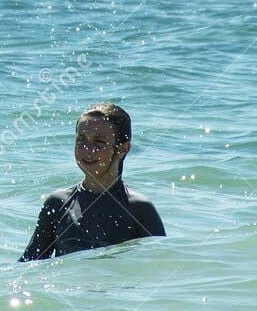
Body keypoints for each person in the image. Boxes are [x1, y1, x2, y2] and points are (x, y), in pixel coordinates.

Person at [19, 103, 165, 262]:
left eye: (99, 142)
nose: (87, 149)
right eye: (81, 139)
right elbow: (29, 265)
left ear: (123, 149)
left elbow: (157, 268)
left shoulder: (139, 209)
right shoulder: (58, 203)